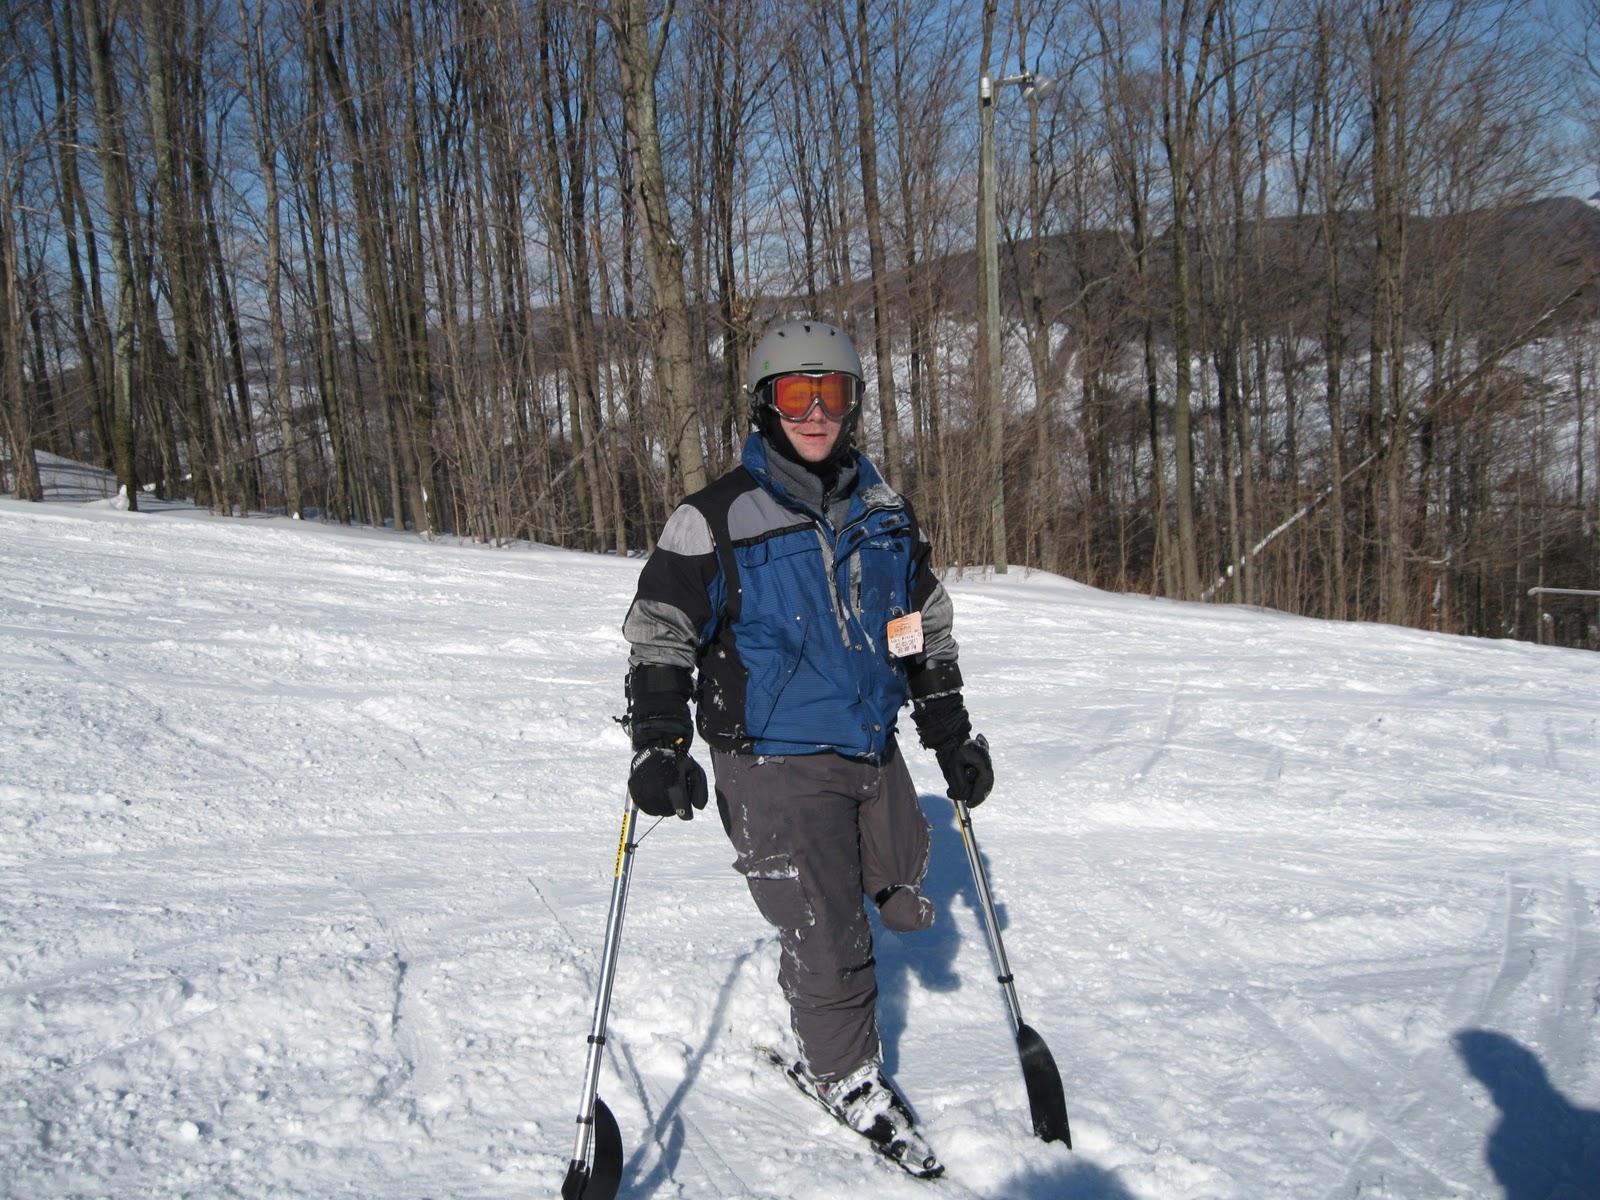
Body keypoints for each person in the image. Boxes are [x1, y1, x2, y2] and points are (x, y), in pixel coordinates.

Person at [620, 318, 993, 1177]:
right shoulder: (712, 517)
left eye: (833, 392)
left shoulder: (884, 511)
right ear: (765, 404)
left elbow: (918, 628)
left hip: (868, 739)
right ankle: (845, 1071)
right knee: (829, 929)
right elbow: (661, 631)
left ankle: (831, 978)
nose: (817, 411)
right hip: (772, 756)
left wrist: (950, 731)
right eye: (798, 393)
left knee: (902, 876)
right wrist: (659, 741)